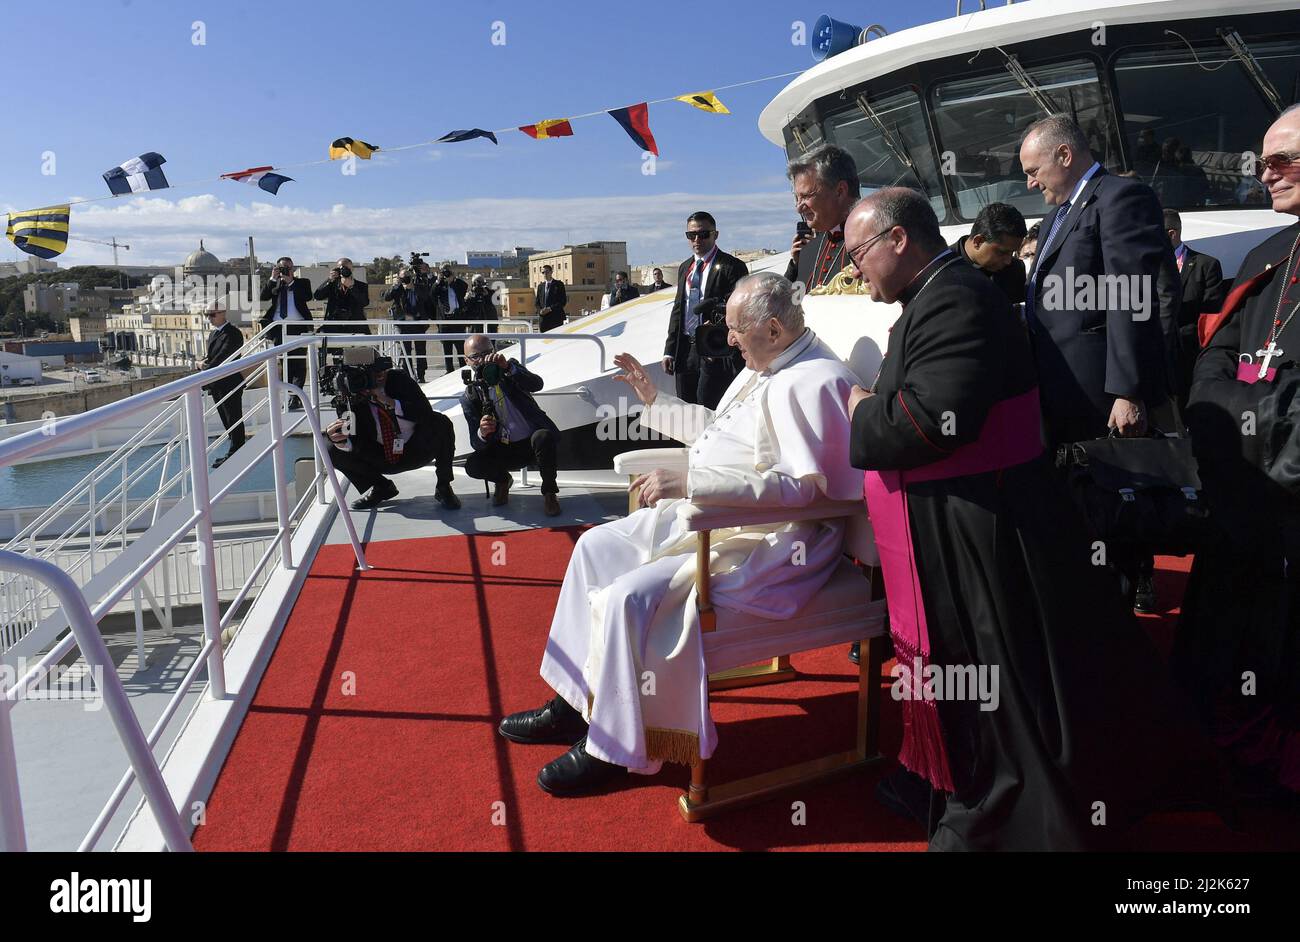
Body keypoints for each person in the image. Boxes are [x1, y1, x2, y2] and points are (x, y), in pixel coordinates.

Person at [843, 188, 1217, 849]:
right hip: (972, 517)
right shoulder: (939, 293)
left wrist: (861, 410)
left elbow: (926, 422)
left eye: (858, 252)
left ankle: (1002, 810)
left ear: (899, 239)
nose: (853, 267)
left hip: (989, 527)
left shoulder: (954, 298)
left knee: (1011, 685)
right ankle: (960, 786)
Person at [498, 272, 863, 794]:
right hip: (716, 514)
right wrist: (654, 399)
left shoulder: (815, 380)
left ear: (775, 329)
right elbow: (720, 433)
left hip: (768, 542)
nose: (729, 339)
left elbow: (808, 492)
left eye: (737, 329)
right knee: (594, 548)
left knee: (629, 598)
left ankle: (616, 747)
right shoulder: (765, 365)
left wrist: (694, 481)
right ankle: (576, 701)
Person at [1174, 105, 1300, 797]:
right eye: (1262, 160)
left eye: (1285, 158)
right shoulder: (1266, 256)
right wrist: (1244, 423)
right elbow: (1211, 368)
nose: (1265, 171)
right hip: (1246, 498)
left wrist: (1250, 423)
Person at [1019, 114, 1181, 611]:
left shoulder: (1118, 198)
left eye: (1034, 169)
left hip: (1099, 392)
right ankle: (1092, 602)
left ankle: (1125, 606)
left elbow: (1133, 294)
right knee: (1081, 504)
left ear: (1065, 155)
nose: (1030, 181)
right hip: (1060, 390)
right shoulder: (1054, 216)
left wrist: (1128, 390)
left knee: (1113, 497)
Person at [323, 349, 460, 511]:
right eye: (365, 375)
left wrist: (392, 403)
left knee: (441, 422)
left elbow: (425, 414)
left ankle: (443, 485)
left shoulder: (399, 380)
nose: (378, 377)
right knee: (328, 446)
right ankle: (382, 486)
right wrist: (342, 441)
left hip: (415, 449)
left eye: (380, 371)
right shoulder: (348, 395)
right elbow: (355, 438)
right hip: (379, 456)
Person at [459, 334, 562, 516]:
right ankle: (503, 481)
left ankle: (550, 493)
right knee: (473, 465)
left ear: (495, 352)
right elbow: (475, 443)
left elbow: (537, 384)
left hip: (531, 443)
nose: (483, 359)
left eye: (487, 353)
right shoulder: (471, 395)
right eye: (476, 356)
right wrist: (482, 433)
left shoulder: (510, 369)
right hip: (502, 449)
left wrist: (507, 367)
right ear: (467, 361)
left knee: (543, 437)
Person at [661, 211, 748, 408]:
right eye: (691, 235)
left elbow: (740, 310)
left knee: (708, 407)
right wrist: (670, 351)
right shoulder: (685, 268)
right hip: (685, 351)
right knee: (686, 410)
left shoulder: (732, 266)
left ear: (715, 234)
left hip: (714, 351)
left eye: (703, 234)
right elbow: (679, 309)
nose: (697, 240)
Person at [1164, 208, 1227, 405]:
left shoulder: (1206, 265)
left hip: (1189, 353)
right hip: (1156, 351)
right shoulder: (1144, 264)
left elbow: (1212, 312)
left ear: (1171, 234)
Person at [784, 143, 860, 292]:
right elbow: (793, 304)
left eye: (806, 196)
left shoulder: (876, 240)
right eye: (797, 198)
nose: (798, 207)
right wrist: (795, 265)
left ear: (840, 191)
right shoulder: (807, 250)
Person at [949, 202, 1027, 312]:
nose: (1008, 261)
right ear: (978, 241)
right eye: (1002, 252)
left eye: (1012, 253)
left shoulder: (1015, 270)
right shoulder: (941, 268)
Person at [258, 256, 313, 410]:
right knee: (285, 363)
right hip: (279, 327)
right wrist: (272, 278)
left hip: (298, 327)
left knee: (299, 363)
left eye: (289, 268)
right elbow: (264, 297)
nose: (286, 270)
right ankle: (290, 396)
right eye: (283, 268)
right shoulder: (275, 284)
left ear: (293, 269)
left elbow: (308, 296)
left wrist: (291, 282)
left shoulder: (302, 283)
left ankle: (296, 397)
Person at [200, 301, 246, 469]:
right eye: (207, 315)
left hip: (230, 382)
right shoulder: (213, 334)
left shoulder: (233, 333)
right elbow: (212, 357)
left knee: (233, 416)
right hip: (217, 384)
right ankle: (233, 448)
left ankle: (237, 448)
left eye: (212, 315)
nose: (209, 319)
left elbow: (224, 357)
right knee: (225, 418)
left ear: (223, 313)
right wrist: (204, 364)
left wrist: (204, 369)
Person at [381, 266, 436, 382]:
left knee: (421, 350)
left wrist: (413, 288)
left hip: (418, 323)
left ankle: (421, 375)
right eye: (403, 277)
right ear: (399, 278)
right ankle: (408, 375)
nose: (406, 279)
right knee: (405, 350)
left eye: (408, 276)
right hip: (403, 324)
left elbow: (427, 297)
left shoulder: (419, 287)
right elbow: (386, 297)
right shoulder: (398, 289)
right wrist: (397, 285)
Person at [314, 257, 371, 335]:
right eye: (341, 268)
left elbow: (365, 302)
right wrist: (329, 280)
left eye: (347, 268)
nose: (344, 270)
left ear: (352, 269)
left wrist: (352, 287)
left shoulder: (361, 285)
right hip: (334, 327)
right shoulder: (332, 285)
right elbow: (317, 296)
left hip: (355, 327)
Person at [434, 265, 469, 375]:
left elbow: (464, 287)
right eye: (444, 272)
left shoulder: (457, 284)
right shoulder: (440, 285)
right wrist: (438, 281)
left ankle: (463, 369)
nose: (446, 275)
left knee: (460, 347)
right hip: (445, 320)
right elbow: (432, 294)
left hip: (457, 319)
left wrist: (453, 280)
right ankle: (449, 371)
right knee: (446, 347)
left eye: (448, 272)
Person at [534, 264, 567, 331]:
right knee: (544, 339)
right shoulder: (540, 286)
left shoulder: (559, 285)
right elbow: (537, 302)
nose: (545, 274)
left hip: (556, 318)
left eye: (547, 272)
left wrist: (550, 309)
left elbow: (562, 302)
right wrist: (540, 311)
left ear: (551, 272)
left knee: (556, 339)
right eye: (543, 272)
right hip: (543, 319)